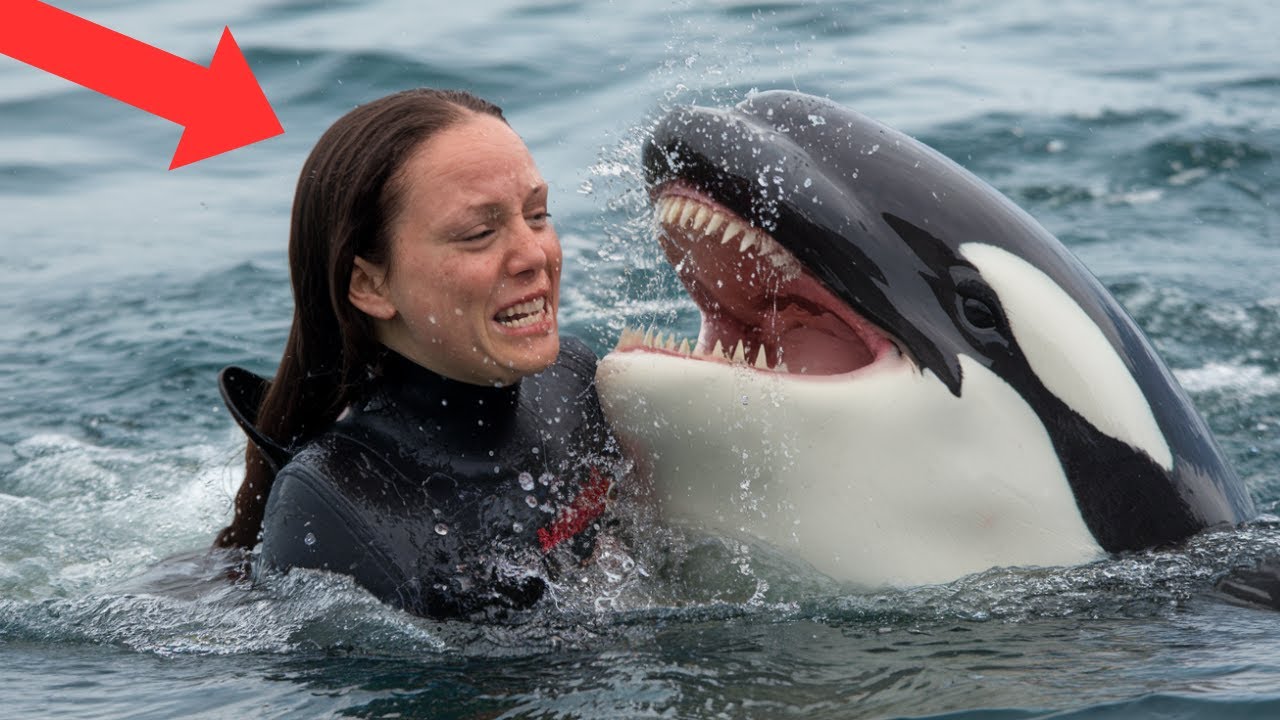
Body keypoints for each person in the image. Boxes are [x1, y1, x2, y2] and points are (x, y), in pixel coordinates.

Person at [212, 88, 623, 621]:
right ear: (369, 285)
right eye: (479, 233)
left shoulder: (574, 382)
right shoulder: (338, 509)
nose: (533, 255)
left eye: (538, 215)